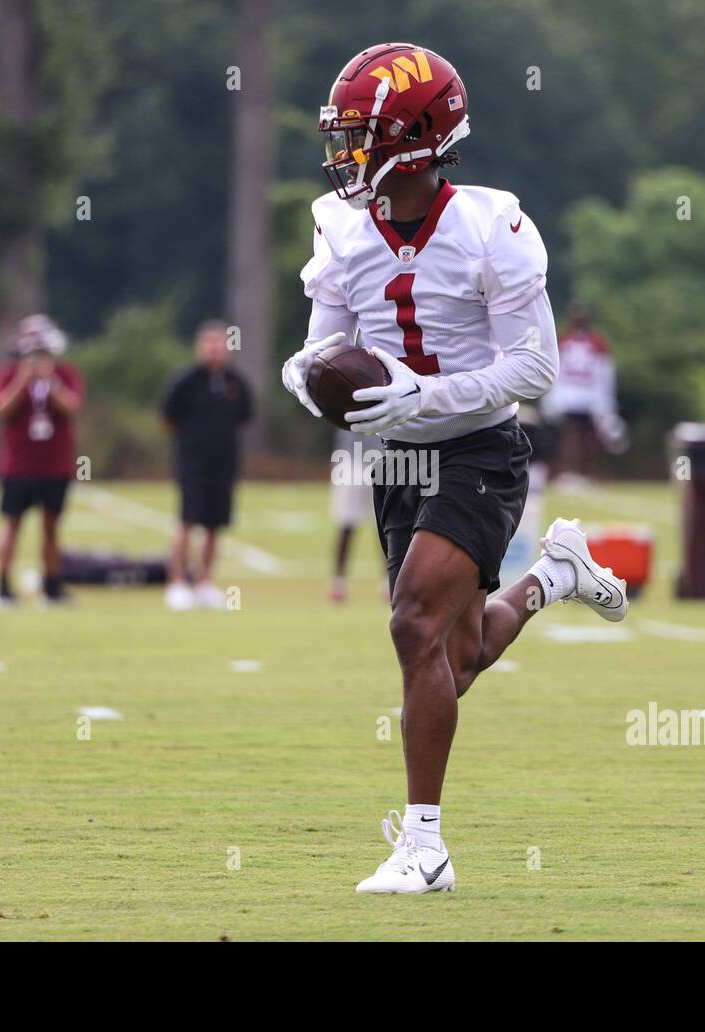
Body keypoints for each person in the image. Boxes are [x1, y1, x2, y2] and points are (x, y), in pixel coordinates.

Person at [280, 43, 629, 894]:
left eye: (363, 134)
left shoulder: (493, 228)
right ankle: (553, 578)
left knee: (411, 628)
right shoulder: (341, 227)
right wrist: (313, 381)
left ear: (417, 136)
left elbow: (536, 369)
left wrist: (420, 400)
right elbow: (314, 352)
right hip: (396, 461)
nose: (345, 153)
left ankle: (425, 848)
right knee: (456, 655)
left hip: (477, 451)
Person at [0, 314, 84, 607]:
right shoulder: (10, 373)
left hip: (55, 466)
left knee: (52, 526)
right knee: (12, 524)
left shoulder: (64, 374)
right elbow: (1, 409)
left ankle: (52, 587)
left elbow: (71, 408)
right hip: (18, 467)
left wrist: (50, 382)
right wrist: (23, 380)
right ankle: (3, 587)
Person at [160, 320, 252, 610]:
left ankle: (204, 582)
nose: (214, 350)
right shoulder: (185, 381)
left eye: (219, 343)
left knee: (214, 524)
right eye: (208, 343)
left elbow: (245, 417)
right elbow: (167, 417)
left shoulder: (236, 383)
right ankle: (176, 583)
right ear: (200, 347)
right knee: (187, 521)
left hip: (223, 463)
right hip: (192, 463)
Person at [541, 302, 627, 482]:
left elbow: (556, 370)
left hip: (577, 395)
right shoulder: (593, 341)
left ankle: (580, 472)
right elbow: (605, 373)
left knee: (579, 436)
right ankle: (575, 472)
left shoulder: (569, 340)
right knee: (579, 435)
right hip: (582, 395)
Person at [329, 427, 388, 604]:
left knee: (385, 526)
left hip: (381, 457)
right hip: (351, 459)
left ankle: (389, 582)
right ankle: (338, 582)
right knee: (346, 524)